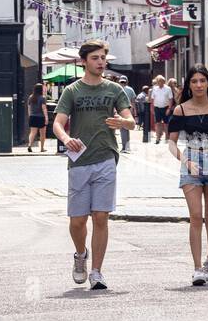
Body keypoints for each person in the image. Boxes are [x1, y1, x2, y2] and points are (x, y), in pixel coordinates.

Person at [53, 39, 134, 291]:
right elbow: (58, 123)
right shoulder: (72, 91)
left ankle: (97, 272)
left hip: (106, 157)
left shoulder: (114, 90)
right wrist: (66, 139)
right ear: (84, 61)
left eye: (103, 58)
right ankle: (80, 255)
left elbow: (131, 121)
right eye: (96, 58)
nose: (101, 62)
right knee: (77, 221)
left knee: (101, 216)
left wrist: (123, 122)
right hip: (79, 161)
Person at [166, 65, 208, 286]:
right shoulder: (181, 110)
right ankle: (197, 268)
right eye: (193, 81)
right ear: (188, 85)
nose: (198, 85)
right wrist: (185, 161)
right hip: (192, 165)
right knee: (196, 216)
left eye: (202, 81)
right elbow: (171, 142)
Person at [149, 75, 174, 144]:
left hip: (165, 107)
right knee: (158, 123)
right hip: (157, 108)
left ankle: (166, 138)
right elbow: (152, 99)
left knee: (166, 123)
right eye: (158, 81)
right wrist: (152, 107)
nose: (160, 83)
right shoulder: (155, 88)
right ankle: (158, 138)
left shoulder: (168, 88)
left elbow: (170, 99)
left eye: (161, 81)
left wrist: (169, 108)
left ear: (164, 82)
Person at [26, 82, 49, 152]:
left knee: (32, 132)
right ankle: (42, 148)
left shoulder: (30, 97)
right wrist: (46, 117)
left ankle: (29, 145)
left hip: (32, 117)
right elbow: (44, 108)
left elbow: (29, 108)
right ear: (40, 89)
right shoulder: (42, 98)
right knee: (42, 133)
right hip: (41, 117)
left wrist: (30, 116)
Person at [117, 76, 136, 153]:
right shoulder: (130, 89)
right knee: (126, 129)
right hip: (128, 111)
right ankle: (126, 146)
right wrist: (134, 111)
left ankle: (125, 146)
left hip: (121, 110)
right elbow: (133, 101)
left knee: (123, 129)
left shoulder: (117, 89)